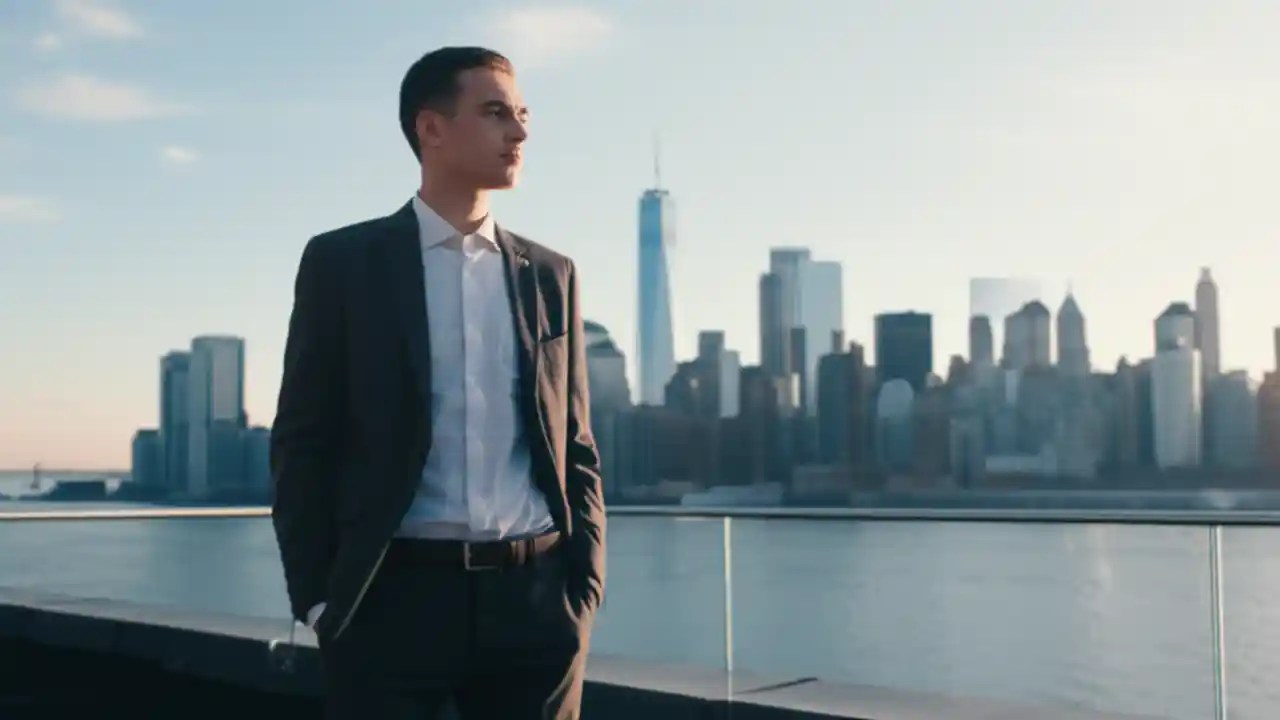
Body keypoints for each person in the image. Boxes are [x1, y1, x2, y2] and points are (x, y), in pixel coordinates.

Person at [269, 46, 606, 719]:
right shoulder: (344, 263)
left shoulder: (551, 274)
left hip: (535, 602)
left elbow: (575, 443)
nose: (520, 131)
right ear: (431, 128)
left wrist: (583, 588)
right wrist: (318, 599)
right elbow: (303, 440)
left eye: (523, 114)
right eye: (495, 112)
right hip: (392, 602)